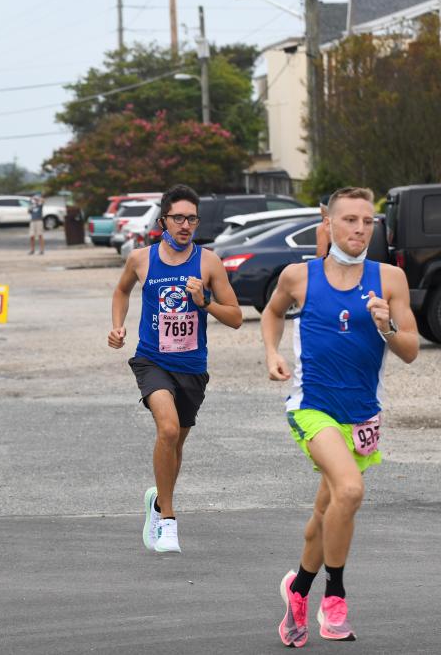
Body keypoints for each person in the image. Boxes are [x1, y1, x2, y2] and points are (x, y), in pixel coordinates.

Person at [262, 187, 418, 647]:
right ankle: (335, 596)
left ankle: (298, 590)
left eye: (367, 221)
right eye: (349, 220)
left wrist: (387, 325)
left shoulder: (389, 279)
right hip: (312, 408)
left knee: (327, 512)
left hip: (362, 415)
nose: (359, 229)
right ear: (328, 224)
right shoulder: (299, 276)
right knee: (350, 489)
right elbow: (272, 314)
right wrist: (271, 352)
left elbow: (409, 351)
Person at [108, 184, 242, 553]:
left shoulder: (209, 262)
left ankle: (157, 498)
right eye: (178, 217)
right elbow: (121, 291)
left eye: (192, 218)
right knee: (166, 429)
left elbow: (235, 318)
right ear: (164, 219)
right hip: (152, 359)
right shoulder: (141, 258)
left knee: (176, 443)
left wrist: (205, 301)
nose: (185, 225)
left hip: (192, 366)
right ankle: (168, 519)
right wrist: (118, 325)